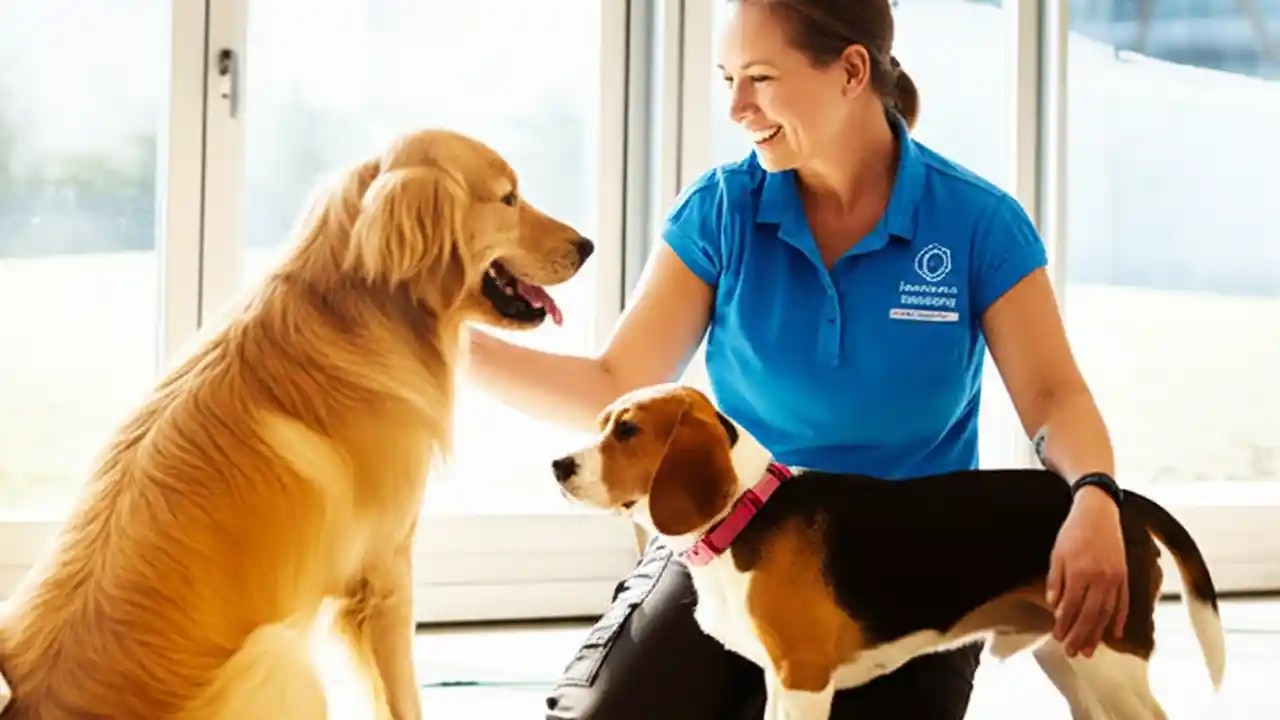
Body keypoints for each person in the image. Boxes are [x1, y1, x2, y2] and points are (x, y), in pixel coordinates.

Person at [466, 0, 1130, 717]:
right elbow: (616, 382)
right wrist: (447, 344)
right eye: (727, 79)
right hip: (729, 539)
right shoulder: (722, 209)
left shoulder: (976, 221)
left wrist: (1096, 493)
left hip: (908, 565)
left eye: (759, 78)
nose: (737, 107)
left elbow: (1054, 396)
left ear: (850, 70)